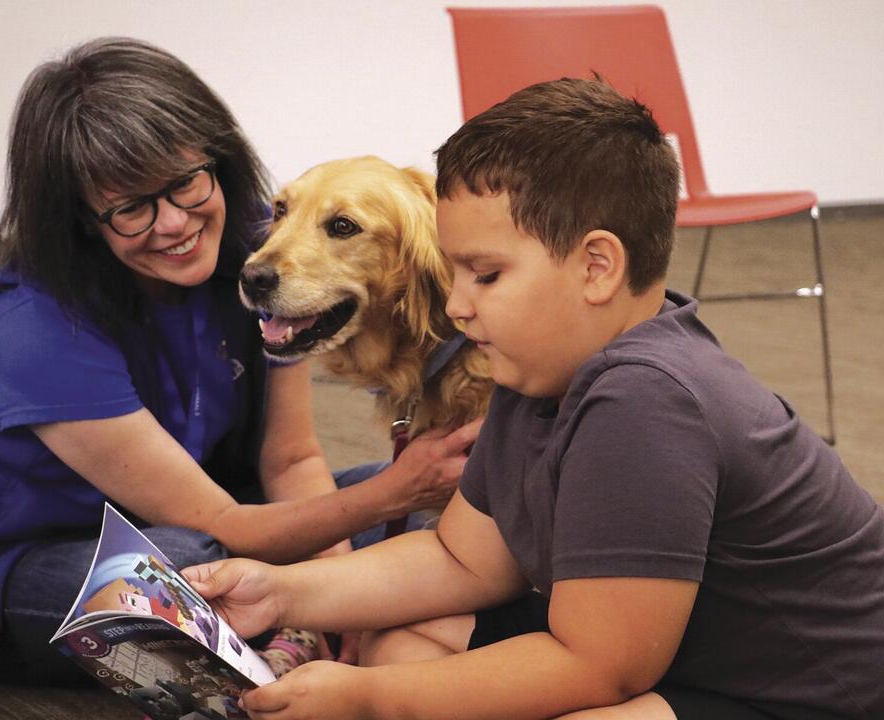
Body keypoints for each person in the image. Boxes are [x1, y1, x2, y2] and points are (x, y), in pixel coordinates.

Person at [183, 78, 884, 720]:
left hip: (809, 691)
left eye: (484, 276)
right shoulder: (534, 367)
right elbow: (461, 561)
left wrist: (367, 700)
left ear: (597, 267)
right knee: (399, 643)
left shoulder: (645, 402)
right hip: (675, 656)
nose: (454, 306)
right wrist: (282, 589)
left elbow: (598, 668)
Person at [0, 37, 479, 685]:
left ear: (216, 160)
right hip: (5, 567)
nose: (174, 224)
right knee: (196, 564)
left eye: (185, 182)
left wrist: (346, 586)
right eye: (132, 207)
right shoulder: (36, 328)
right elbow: (223, 526)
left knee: (424, 502)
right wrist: (371, 532)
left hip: (210, 508)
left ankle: (318, 633)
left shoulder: (259, 248)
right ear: (81, 219)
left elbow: (293, 461)